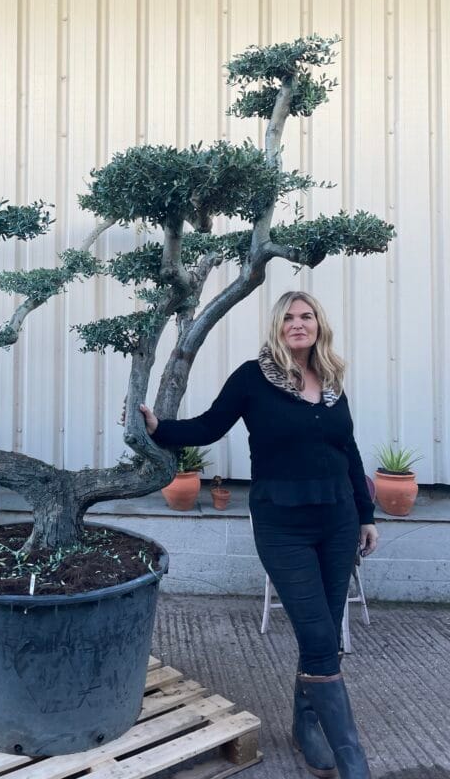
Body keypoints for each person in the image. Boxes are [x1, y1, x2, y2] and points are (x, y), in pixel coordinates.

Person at [138, 291, 378, 779]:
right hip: (282, 524)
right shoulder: (253, 378)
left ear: (318, 324)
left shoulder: (331, 379)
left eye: (306, 316)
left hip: (338, 522)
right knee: (315, 632)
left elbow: (347, 449)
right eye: (288, 317)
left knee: (325, 635)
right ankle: (354, 761)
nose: (297, 324)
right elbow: (209, 426)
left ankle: (306, 725)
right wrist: (159, 428)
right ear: (277, 326)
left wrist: (366, 514)